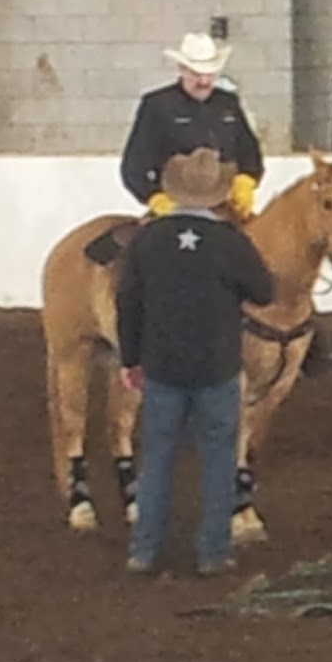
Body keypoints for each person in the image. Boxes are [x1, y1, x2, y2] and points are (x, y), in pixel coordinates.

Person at [118, 32, 332, 374]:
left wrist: (246, 183)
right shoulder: (157, 106)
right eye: (196, 73)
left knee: (274, 257)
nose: (204, 80)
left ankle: (304, 335)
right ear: (181, 70)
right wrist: (155, 198)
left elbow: (250, 154)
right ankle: (138, 331)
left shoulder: (228, 105)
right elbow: (133, 165)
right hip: (174, 204)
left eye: (209, 73)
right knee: (143, 259)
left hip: (225, 205)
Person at [116, 149, 274, 579]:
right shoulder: (230, 241)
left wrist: (131, 359)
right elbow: (264, 292)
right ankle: (213, 552)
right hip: (217, 367)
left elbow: (127, 301)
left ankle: (144, 550)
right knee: (220, 459)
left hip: (162, 367)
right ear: (219, 192)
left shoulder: (148, 239)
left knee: (157, 457)